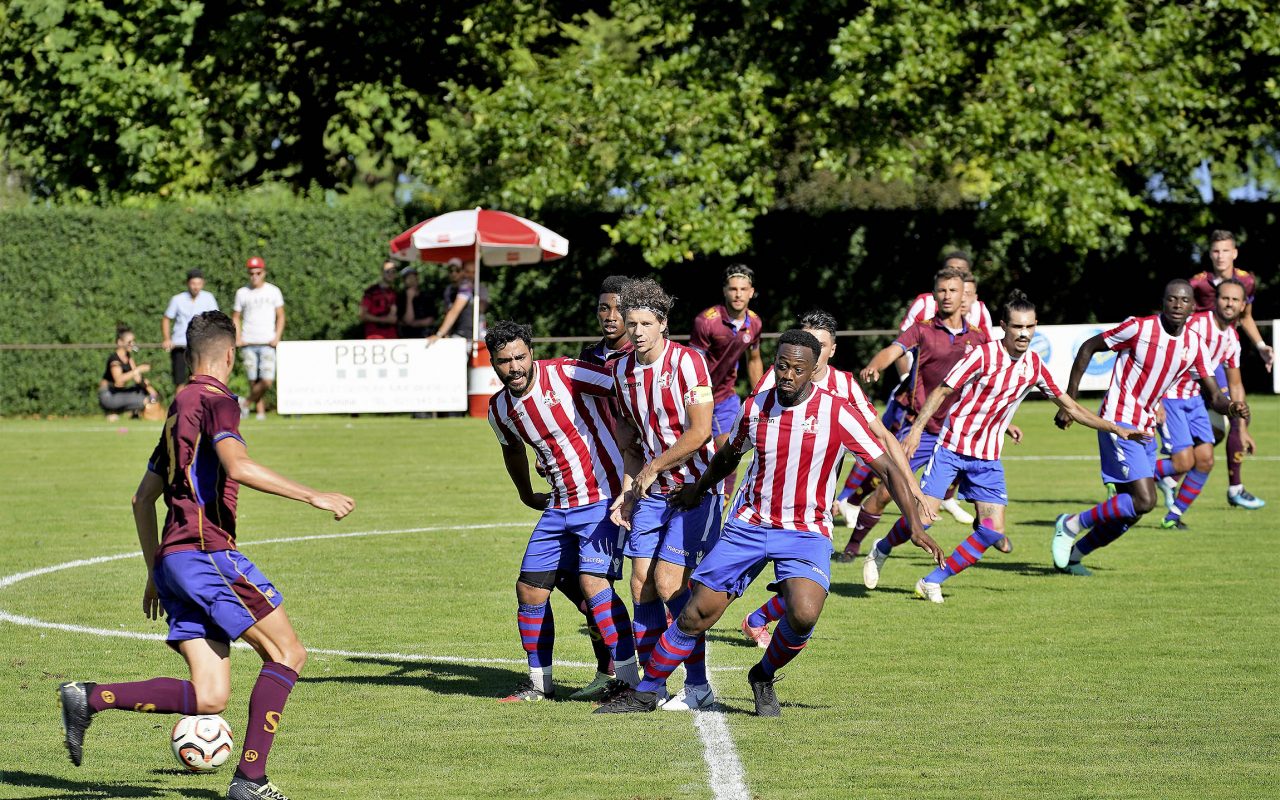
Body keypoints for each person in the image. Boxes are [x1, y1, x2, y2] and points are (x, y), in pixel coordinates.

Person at [58, 311, 355, 800]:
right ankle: (251, 781)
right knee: (288, 654)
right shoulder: (218, 401)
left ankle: (90, 697)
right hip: (206, 553)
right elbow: (237, 466)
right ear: (230, 353)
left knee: (211, 696)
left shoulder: (178, 408)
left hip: (175, 561)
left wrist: (156, 570)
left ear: (189, 353)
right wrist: (312, 495)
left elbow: (141, 498)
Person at [594, 330, 943, 716]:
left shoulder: (837, 412)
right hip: (749, 525)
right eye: (782, 366)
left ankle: (762, 675)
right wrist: (698, 489)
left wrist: (914, 524)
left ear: (813, 370)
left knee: (804, 612)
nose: (788, 375)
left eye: (798, 368)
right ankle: (646, 693)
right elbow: (729, 455)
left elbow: (888, 468)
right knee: (696, 613)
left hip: (805, 530)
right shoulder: (755, 406)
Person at [873, 291, 1149, 603]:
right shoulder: (982, 355)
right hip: (952, 448)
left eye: (1029, 327)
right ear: (1004, 326)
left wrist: (1116, 428)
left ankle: (932, 581)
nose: (1023, 333)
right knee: (923, 519)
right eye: (1017, 327)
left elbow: (1071, 407)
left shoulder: (1034, 365)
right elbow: (942, 391)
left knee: (992, 531)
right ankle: (882, 547)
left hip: (987, 458)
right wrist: (916, 431)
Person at [738, 309, 928, 647]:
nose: (811, 350)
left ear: (833, 350)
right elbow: (747, 424)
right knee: (730, 576)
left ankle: (756, 620)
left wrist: (913, 488)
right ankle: (681, 615)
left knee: (808, 582)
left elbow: (883, 436)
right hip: (760, 502)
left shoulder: (844, 386)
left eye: (820, 345)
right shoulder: (777, 378)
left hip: (812, 507)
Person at [485, 321, 639, 703]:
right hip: (559, 505)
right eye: (504, 361)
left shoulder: (567, 372)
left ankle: (628, 682)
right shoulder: (499, 409)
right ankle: (540, 686)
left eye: (520, 357)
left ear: (532, 353)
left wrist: (635, 449)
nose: (515, 367)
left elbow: (625, 389)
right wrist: (525, 493)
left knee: (592, 583)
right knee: (530, 588)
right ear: (493, 363)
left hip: (602, 498)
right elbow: (512, 450)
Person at [1051, 280, 1248, 575]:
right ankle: (1070, 524)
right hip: (1118, 420)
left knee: (1130, 512)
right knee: (1145, 500)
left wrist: (1232, 408)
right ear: (1163, 302)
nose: (1178, 305)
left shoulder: (1194, 344)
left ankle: (1075, 557)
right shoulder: (1139, 328)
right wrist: (1070, 403)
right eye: (1172, 299)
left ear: (1193, 307)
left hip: (1145, 428)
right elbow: (1088, 347)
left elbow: (1215, 396)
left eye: (1184, 301)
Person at [608, 278, 721, 711]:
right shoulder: (621, 371)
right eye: (631, 323)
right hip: (652, 494)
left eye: (645, 323)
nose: (637, 331)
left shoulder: (689, 363)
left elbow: (701, 431)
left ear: (663, 324)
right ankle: (653, 686)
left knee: (669, 583)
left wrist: (653, 468)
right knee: (641, 585)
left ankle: (697, 686)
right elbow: (630, 438)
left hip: (694, 490)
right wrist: (628, 490)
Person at [848, 265, 994, 565]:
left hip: (957, 431)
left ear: (965, 295)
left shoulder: (979, 338)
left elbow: (991, 383)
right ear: (935, 295)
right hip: (921, 427)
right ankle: (853, 545)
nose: (947, 296)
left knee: (980, 488)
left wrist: (1006, 422)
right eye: (942, 290)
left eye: (954, 290)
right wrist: (876, 365)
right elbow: (893, 350)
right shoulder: (923, 329)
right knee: (889, 490)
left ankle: (989, 531)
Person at [1153, 278, 1251, 528]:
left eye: (1235, 300)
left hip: (1195, 400)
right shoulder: (1195, 323)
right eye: (1224, 298)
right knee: (1183, 461)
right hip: (1170, 396)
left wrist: (1240, 425)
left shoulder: (1232, 339)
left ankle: (1172, 518)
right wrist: (1156, 399)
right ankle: (1127, 476)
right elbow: (1161, 352)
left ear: (1242, 306)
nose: (1229, 304)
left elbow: (1235, 385)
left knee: (1205, 460)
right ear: (1215, 301)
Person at [1189, 230, 1271, 509]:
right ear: (1210, 254)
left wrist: (1260, 345)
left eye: (1225, 250)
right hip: (1195, 364)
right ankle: (1232, 487)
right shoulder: (1198, 283)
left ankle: (1177, 472)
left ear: (1234, 253)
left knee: (1225, 426)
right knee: (1233, 417)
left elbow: (1246, 317)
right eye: (1215, 251)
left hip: (1222, 358)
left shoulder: (1246, 281)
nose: (1220, 256)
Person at [689, 264, 764, 457]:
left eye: (743, 289)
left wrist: (761, 397)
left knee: (729, 454)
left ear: (751, 292)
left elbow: (754, 360)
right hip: (698, 397)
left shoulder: (755, 322)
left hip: (726, 398)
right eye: (733, 289)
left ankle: (727, 480)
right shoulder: (706, 321)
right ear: (724, 291)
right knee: (696, 457)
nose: (738, 294)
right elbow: (692, 364)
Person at [232, 257, 285, 421]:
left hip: (267, 342)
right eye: (251, 273)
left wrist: (277, 336)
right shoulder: (242, 293)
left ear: (264, 273)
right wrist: (238, 337)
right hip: (248, 341)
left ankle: (245, 403)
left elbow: (281, 316)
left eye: (258, 273)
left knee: (267, 381)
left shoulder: (273, 291)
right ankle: (260, 413)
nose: (254, 276)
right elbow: (236, 317)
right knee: (253, 380)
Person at [162, 268, 219, 387]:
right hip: (180, 345)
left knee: (199, 381)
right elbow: (166, 318)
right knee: (180, 382)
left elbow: (215, 319)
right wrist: (167, 339)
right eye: (193, 283)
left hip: (201, 346)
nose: (196, 287)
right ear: (188, 283)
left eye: (199, 283)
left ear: (203, 283)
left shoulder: (208, 298)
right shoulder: (177, 299)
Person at [98, 325, 159, 420]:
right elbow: (119, 380)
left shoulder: (128, 357)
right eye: (129, 342)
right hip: (109, 395)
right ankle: (112, 411)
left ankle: (132, 412)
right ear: (120, 342)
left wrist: (152, 391)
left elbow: (137, 378)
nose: (132, 344)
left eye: (133, 341)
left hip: (119, 393)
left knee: (144, 392)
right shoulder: (114, 359)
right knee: (144, 400)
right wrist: (138, 369)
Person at [427, 259, 489, 347]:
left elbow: (455, 311)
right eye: (451, 271)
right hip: (458, 334)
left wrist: (439, 334)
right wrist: (446, 333)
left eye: (457, 270)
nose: (454, 273)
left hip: (469, 336)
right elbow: (448, 313)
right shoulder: (449, 290)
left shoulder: (467, 287)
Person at [360, 260, 399, 340]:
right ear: (382, 273)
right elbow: (363, 315)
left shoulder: (395, 293)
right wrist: (385, 320)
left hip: (392, 337)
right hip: (374, 337)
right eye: (387, 271)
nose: (391, 274)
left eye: (393, 271)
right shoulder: (371, 291)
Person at [397, 265, 436, 338]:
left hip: (426, 337)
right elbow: (408, 320)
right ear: (404, 281)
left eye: (413, 277)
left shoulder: (427, 297)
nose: (411, 280)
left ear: (417, 278)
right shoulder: (401, 298)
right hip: (407, 338)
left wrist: (412, 324)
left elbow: (430, 320)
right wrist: (409, 299)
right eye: (408, 278)